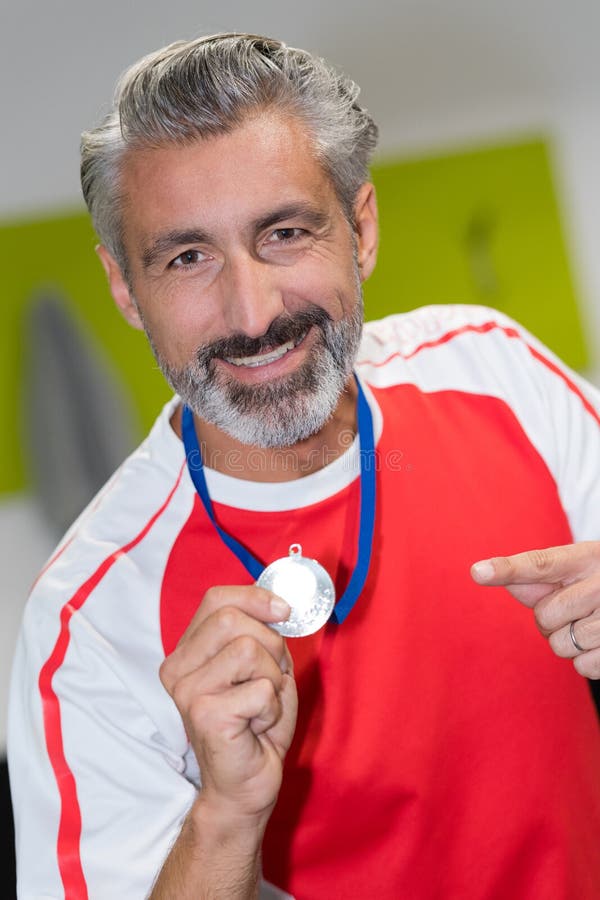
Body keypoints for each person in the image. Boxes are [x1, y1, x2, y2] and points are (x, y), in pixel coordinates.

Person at [7, 32, 600, 900]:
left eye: (284, 233)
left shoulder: (495, 369)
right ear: (126, 288)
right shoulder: (89, 623)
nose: (252, 315)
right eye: (187, 258)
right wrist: (225, 814)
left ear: (361, 229)